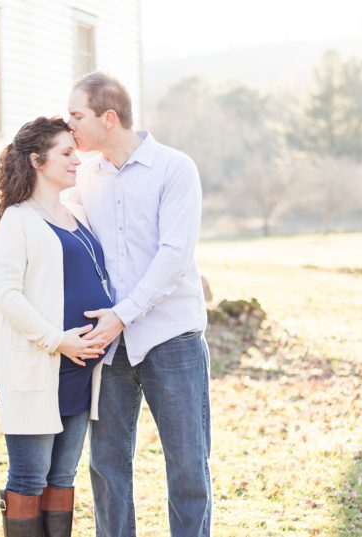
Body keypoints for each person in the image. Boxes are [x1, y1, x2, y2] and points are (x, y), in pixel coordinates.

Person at [67, 72, 212, 537]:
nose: (69, 126)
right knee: (107, 469)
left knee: (188, 468)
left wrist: (122, 316)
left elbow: (174, 257)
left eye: (76, 116)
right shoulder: (84, 177)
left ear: (108, 118)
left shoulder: (175, 168)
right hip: (107, 348)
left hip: (172, 339)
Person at [0, 116, 117, 537]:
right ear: (37, 160)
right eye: (66, 152)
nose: (76, 159)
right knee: (29, 480)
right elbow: (5, 293)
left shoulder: (75, 213)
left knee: (62, 480)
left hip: (79, 373)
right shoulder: (18, 220)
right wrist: (57, 340)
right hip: (36, 370)